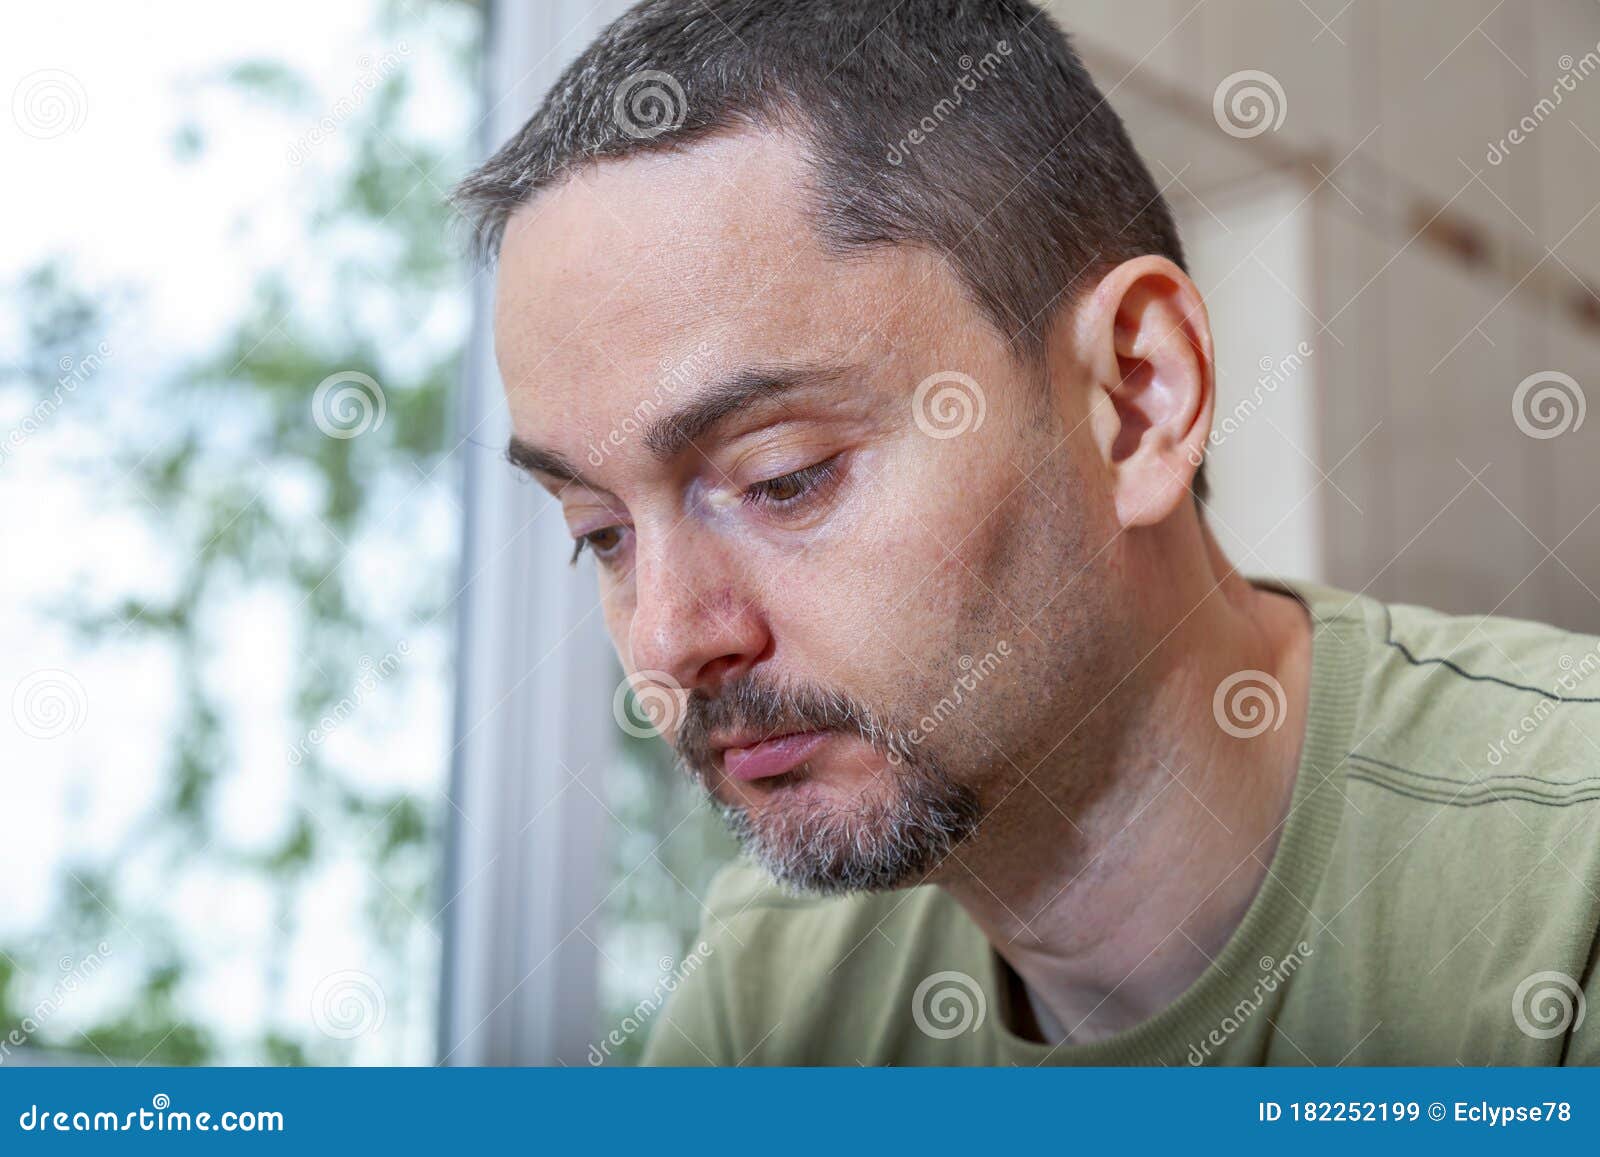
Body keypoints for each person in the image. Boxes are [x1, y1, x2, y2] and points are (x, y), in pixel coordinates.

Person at [455, 0, 1600, 1064]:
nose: (665, 640)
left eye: (784, 477)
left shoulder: (1563, 881)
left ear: (1137, 399)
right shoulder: (772, 992)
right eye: (599, 532)